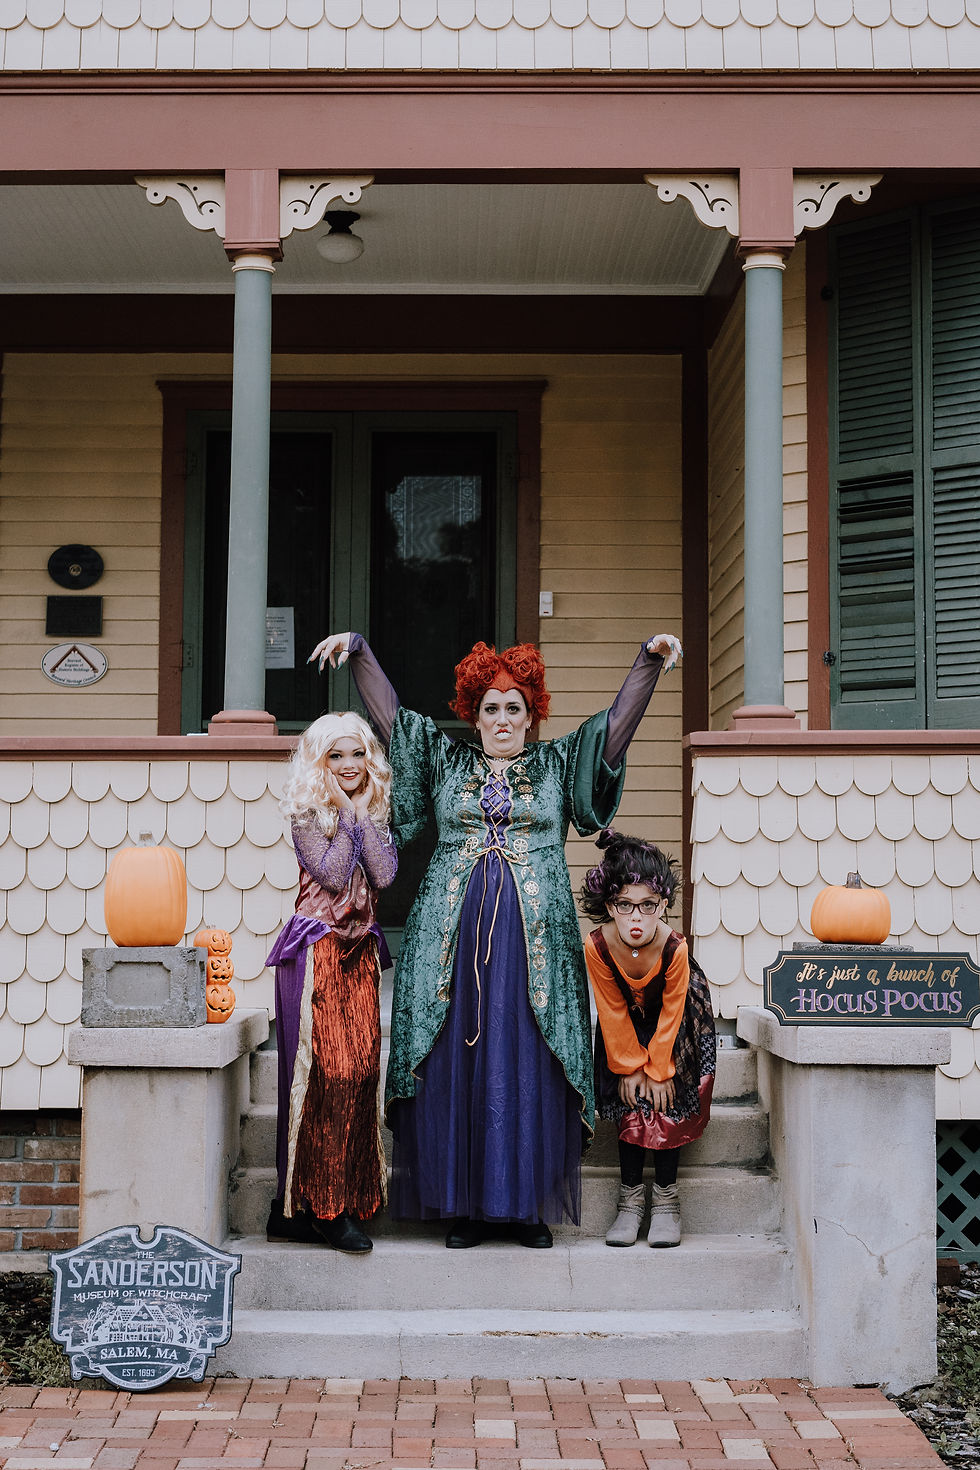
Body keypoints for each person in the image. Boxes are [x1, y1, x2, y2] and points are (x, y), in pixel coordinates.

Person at [310, 629, 681, 1249]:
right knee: (460, 1061)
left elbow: (613, 731)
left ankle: (526, 1208)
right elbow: (393, 717)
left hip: (534, 946)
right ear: (473, 716)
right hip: (447, 939)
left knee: (525, 1059)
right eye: (491, 708)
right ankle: (467, 1208)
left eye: (515, 707)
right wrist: (360, 651)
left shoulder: (558, 763)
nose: (503, 718)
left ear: (532, 714)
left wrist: (647, 662)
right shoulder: (448, 761)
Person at [265, 711, 397, 1254]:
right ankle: (319, 1206)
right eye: (335, 755)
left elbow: (385, 875)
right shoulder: (306, 815)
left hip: (360, 951)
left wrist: (365, 816)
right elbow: (337, 874)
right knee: (325, 1076)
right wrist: (349, 812)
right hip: (317, 950)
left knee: (362, 1072)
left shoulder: (373, 813)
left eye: (357, 754)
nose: (348, 765)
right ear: (319, 762)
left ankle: (320, 1202)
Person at [580, 829, 715, 1248]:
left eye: (647, 906)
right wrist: (627, 1067)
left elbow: (674, 1011)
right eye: (625, 906)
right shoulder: (597, 947)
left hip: (677, 1028)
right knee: (629, 1098)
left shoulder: (674, 948)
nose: (636, 919)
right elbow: (612, 1010)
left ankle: (667, 1200)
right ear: (609, 906)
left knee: (664, 1097)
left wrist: (658, 1070)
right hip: (627, 1028)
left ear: (664, 905)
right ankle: (630, 1200)